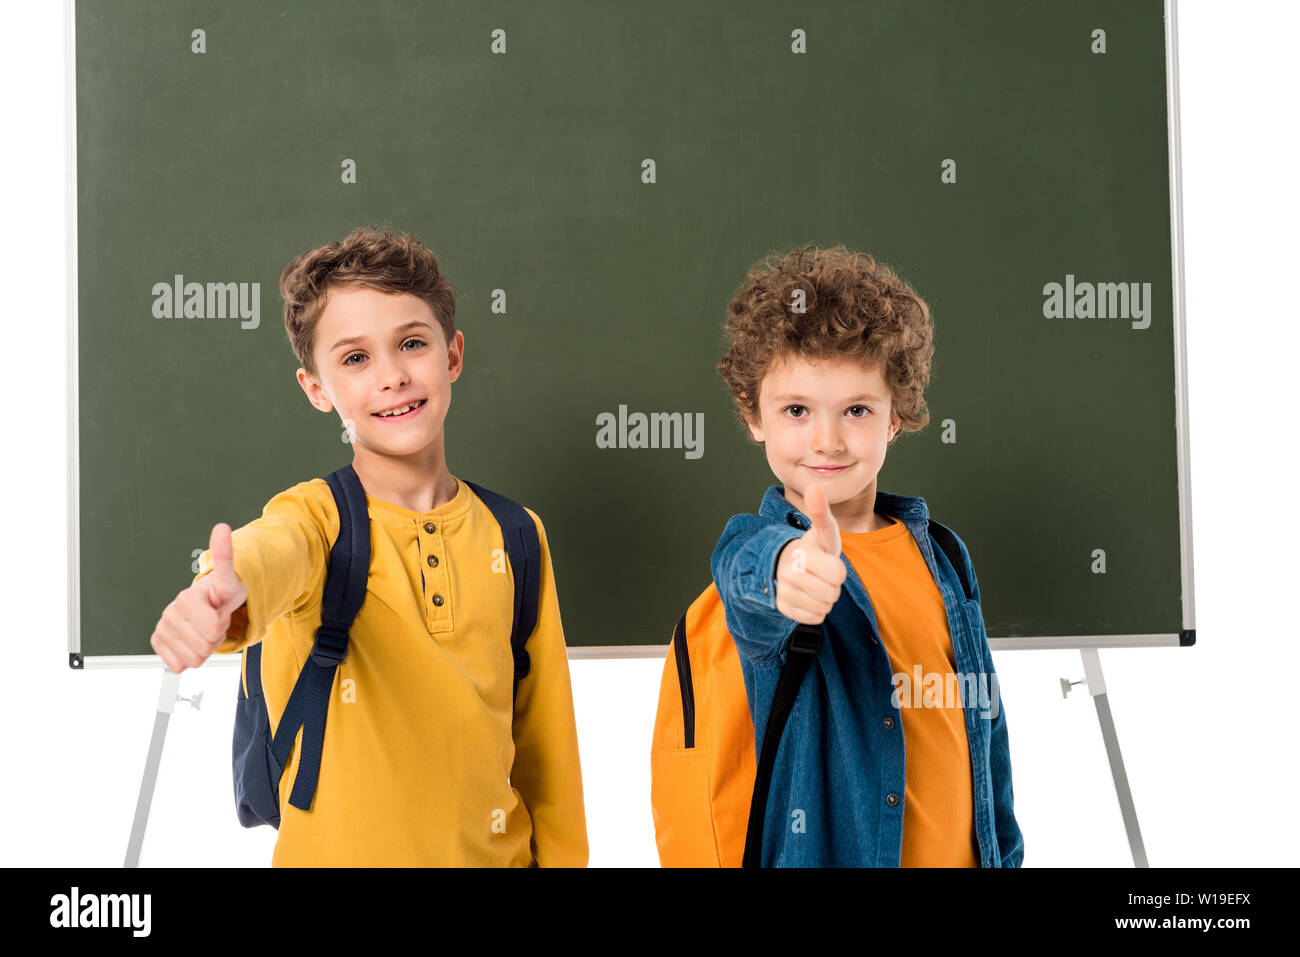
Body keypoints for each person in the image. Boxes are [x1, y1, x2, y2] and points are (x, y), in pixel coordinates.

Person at [148, 226, 588, 866]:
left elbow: (547, 749)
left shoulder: (517, 533)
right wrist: (223, 596)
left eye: (412, 344)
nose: (392, 376)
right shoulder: (314, 519)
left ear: (453, 355)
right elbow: (270, 553)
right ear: (317, 389)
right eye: (355, 358)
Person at [710, 245, 1023, 867]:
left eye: (857, 410)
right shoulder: (754, 547)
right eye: (796, 410)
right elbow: (750, 580)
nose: (827, 440)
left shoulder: (942, 554)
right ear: (754, 416)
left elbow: (985, 731)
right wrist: (789, 571)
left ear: (896, 418)